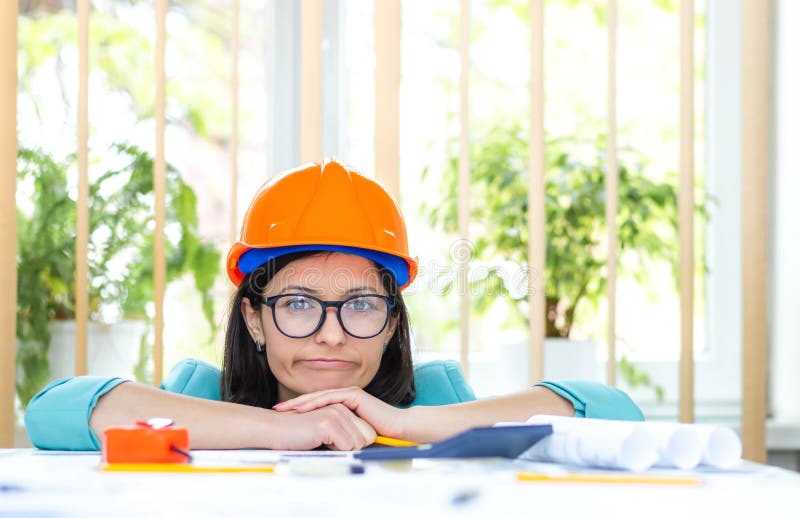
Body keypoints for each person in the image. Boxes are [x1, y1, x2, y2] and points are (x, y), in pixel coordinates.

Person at [25, 160, 643, 452]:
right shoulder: (202, 392)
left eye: (361, 306)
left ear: (391, 322)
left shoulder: (434, 400)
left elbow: (617, 414)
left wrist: (401, 425)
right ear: (253, 318)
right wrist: (283, 428)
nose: (330, 335)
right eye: (297, 303)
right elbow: (52, 412)